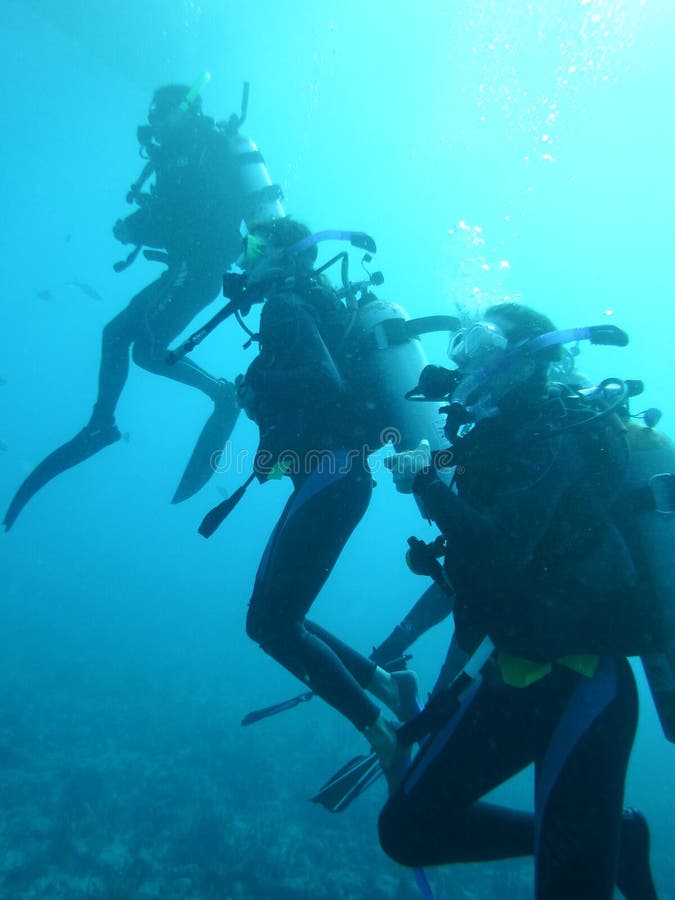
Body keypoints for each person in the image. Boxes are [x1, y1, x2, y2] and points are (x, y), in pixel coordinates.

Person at [378, 303, 659, 899]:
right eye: (462, 345)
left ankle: (604, 840)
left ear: (527, 358)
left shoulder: (554, 434)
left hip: (582, 683)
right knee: (406, 831)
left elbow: (502, 548)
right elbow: (485, 570)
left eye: (481, 344)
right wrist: (429, 480)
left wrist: (425, 481)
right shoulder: (496, 439)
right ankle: (610, 837)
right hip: (513, 674)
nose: (466, 360)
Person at [4, 78, 279, 530]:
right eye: (154, 114)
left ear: (183, 111)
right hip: (187, 270)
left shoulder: (203, 152)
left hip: (199, 271)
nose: (154, 121)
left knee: (138, 346)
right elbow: (175, 214)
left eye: (160, 113)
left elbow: (195, 217)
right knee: (128, 343)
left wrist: (144, 226)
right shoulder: (180, 155)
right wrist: (136, 225)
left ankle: (210, 398)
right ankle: (104, 423)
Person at [235, 217, 419, 778]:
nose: (244, 259)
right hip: (340, 480)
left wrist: (257, 384)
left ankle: (382, 734)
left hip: (330, 479)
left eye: (253, 247)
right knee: (278, 619)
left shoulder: (283, 304)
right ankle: (389, 688)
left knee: (270, 625)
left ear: (279, 254)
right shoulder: (313, 304)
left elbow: (324, 381)